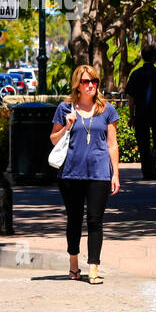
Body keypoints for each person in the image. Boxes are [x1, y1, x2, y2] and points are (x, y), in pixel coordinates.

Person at [50, 64, 120, 285]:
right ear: (77, 85)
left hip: (99, 173)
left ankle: (93, 267)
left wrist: (115, 173)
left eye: (94, 81)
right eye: (86, 82)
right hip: (71, 173)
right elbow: (53, 139)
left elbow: (112, 144)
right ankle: (73, 264)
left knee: (95, 221)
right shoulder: (65, 108)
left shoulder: (106, 109)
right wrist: (66, 127)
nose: (91, 85)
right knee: (74, 219)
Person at [124, 44, 156, 179]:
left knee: (143, 144)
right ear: (154, 57)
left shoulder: (135, 74)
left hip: (140, 114)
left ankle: (148, 170)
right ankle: (151, 164)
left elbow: (131, 98)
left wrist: (131, 116)